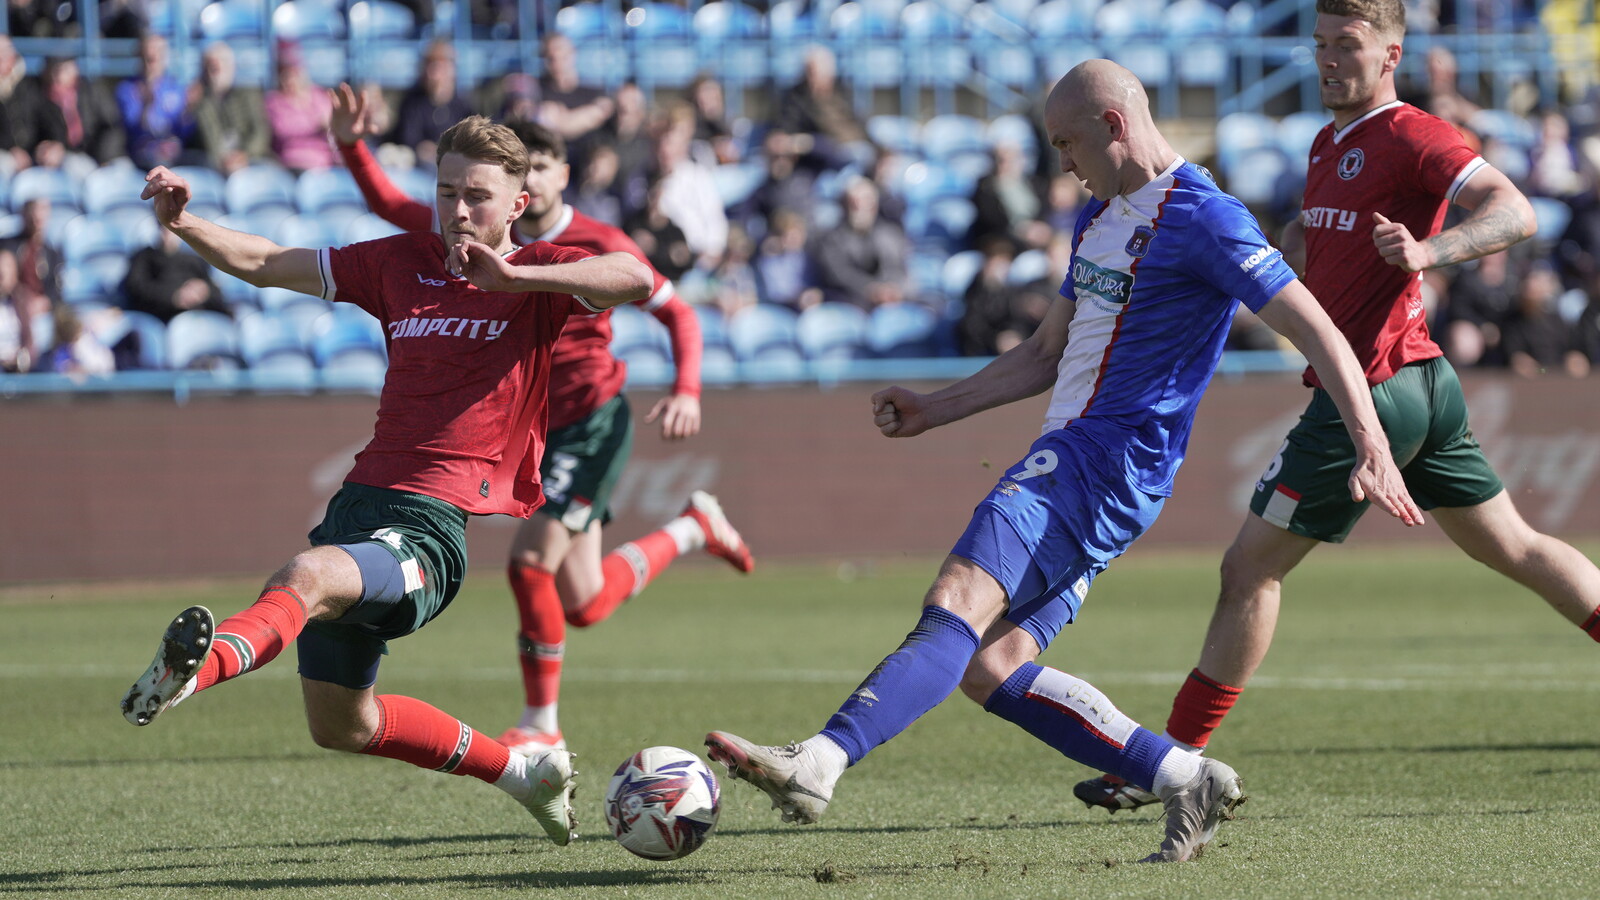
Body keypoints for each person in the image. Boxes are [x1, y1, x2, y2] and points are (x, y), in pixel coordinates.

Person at [705, 59, 1423, 863]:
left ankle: (821, 761)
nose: (1063, 163)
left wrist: (1370, 439)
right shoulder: (1099, 218)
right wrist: (936, 410)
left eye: (1068, 143)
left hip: (1106, 459)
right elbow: (1047, 352)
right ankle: (1185, 776)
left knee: (958, 594)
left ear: (1115, 125)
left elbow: (1317, 327)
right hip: (1084, 458)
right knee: (992, 665)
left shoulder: (1207, 218)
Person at [1074, 0, 1600, 814]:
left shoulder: (1410, 134)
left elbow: (1514, 209)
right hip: (1425, 385)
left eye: (1345, 46)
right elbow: (1325, 238)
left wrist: (1431, 251)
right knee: (1518, 548)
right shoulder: (1330, 143)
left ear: (1391, 53)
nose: (1326, 59)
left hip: (1379, 387)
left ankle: (1171, 761)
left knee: (1249, 570)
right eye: (1318, 44)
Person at [119, 115, 655, 846]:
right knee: (344, 725)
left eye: (476, 196)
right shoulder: (399, 263)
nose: (457, 210)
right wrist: (184, 223)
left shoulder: (543, 274)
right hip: (359, 506)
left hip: (429, 532)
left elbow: (636, 277)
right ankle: (523, 775)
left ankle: (196, 669)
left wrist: (518, 277)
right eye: (444, 191)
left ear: (516, 205)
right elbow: (270, 260)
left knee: (303, 577)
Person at [328, 86, 754, 758]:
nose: (543, 173)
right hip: (527, 427)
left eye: (552, 162)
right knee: (580, 602)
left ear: (555, 178)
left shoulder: (596, 243)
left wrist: (688, 388)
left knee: (530, 568)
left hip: (586, 423)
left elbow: (671, 306)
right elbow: (392, 206)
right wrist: (352, 145)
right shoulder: (480, 226)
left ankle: (541, 723)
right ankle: (692, 528)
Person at [187, 42, 269, 176]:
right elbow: (208, 136)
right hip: (214, 161)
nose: (214, 72)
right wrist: (200, 100)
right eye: (210, 67)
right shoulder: (202, 100)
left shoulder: (248, 95)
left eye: (218, 66)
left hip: (249, 158)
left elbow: (260, 132)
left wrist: (244, 154)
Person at [115, 34, 190, 170]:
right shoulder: (127, 89)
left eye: (158, 53)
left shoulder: (176, 87)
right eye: (147, 55)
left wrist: (191, 112)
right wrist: (145, 106)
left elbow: (183, 130)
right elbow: (131, 129)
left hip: (175, 152)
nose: (152, 56)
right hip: (142, 154)